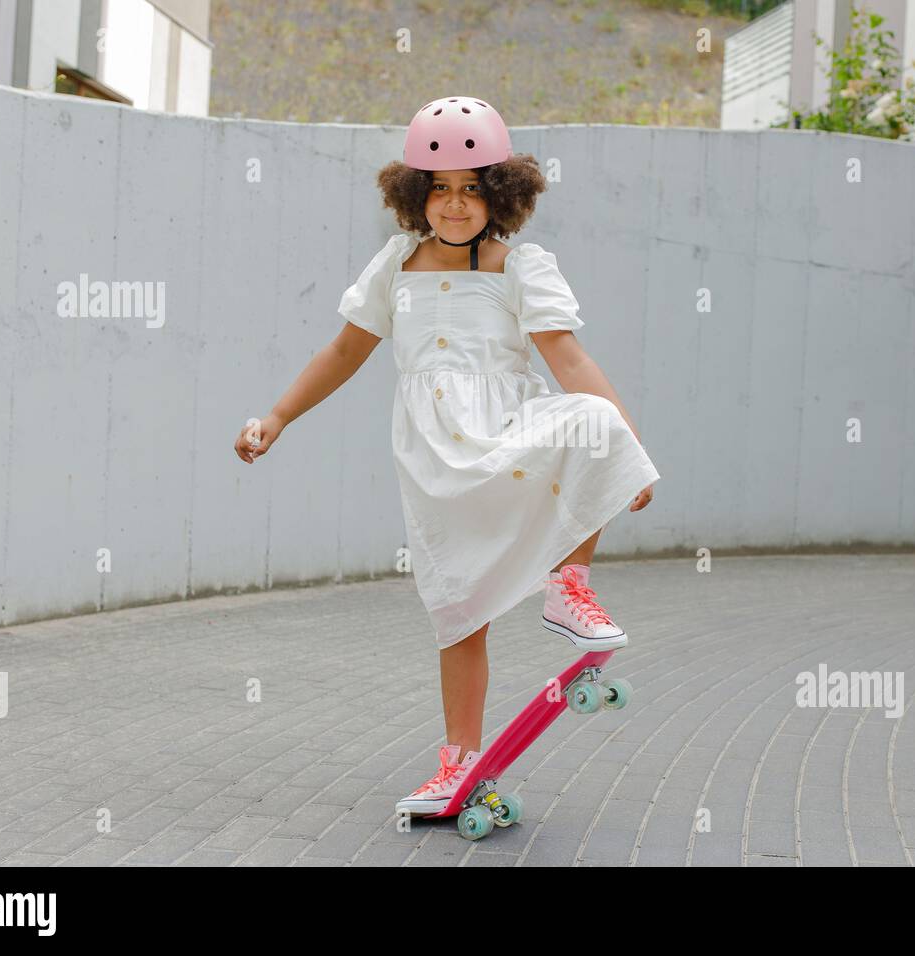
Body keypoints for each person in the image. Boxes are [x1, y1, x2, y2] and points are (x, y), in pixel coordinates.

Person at [232, 95, 660, 816]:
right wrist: (277, 417)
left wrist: (628, 446)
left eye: (470, 188)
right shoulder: (395, 265)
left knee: (594, 419)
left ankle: (569, 586)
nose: (454, 205)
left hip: (510, 437)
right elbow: (344, 351)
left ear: (499, 194)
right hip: (436, 463)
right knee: (458, 613)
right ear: (413, 194)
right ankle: (456, 764)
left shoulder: (521, 266)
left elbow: (571, 361)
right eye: (438, 188)